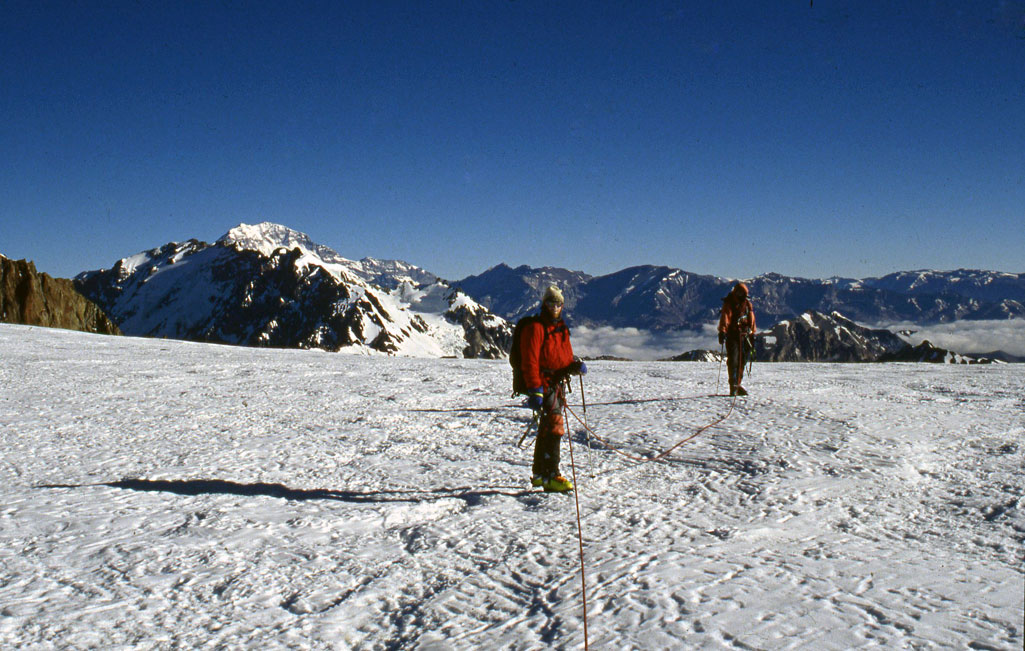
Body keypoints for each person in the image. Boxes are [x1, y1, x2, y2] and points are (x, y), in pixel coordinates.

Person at [520, 285, 585, 492]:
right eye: (551, 303)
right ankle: (552, 475)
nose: (555, 307)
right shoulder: (537, 328)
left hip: (556, 383)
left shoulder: (561, 328)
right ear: (544, 304)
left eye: (558, 304)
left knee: (547, 427)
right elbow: (529, 361)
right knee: (554, 427)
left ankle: (540, 473)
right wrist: (535, 389)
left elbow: (563, 356)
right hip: (544, 384)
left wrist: (573, 365)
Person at [718, 282, 756, 396]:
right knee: (734, 360)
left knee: (742, 360)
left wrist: (752, 333)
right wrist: (722, 331)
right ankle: (733, 385)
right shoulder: (729, 304)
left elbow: (751, 319)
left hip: (745, 336)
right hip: (733, 336)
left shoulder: (747, 305)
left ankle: (737, 384)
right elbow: (725, 317)